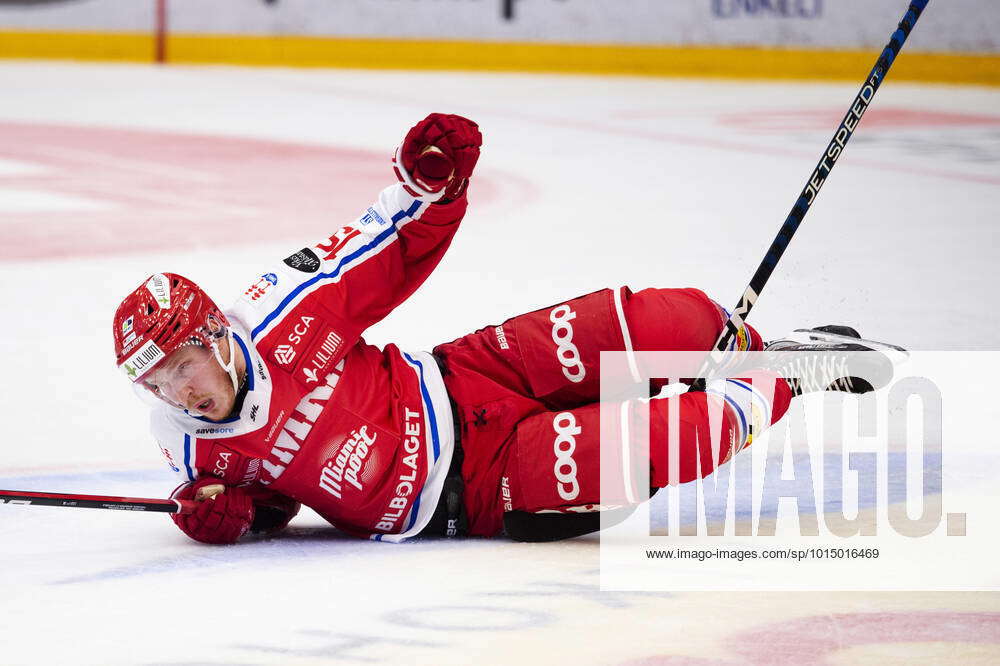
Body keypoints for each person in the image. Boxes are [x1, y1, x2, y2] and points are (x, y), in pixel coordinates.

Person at [112, 113, 900, 544]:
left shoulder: (284, 311)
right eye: (155, 381)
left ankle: (768, 351)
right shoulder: (184, 441)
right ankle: (791, 382)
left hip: (470, 374)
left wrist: (432, 188)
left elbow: (377, 249)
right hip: (481, 493)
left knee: (668, 319)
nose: (176, 391)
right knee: (674, 434)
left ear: (215, 336)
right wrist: (228, 516)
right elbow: (266, 502)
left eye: (180, 364)